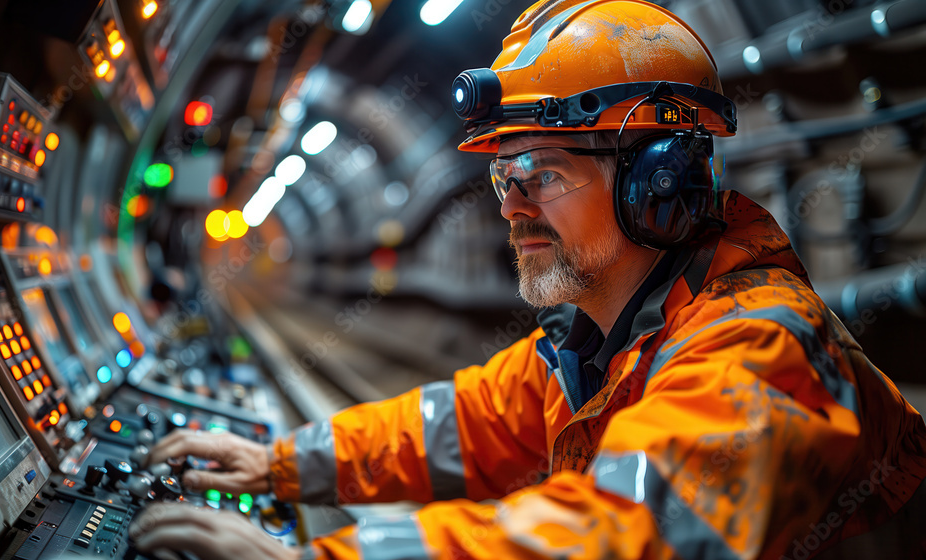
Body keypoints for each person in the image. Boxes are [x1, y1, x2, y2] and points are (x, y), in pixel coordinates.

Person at [131, 1, 926, 558]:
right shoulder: (598, 344)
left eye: (540, 172)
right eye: (502, 174)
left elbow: (629, 531)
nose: (510, 205)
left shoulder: (760, 351)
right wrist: (279, 464)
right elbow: (458, 424)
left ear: (658, 178)